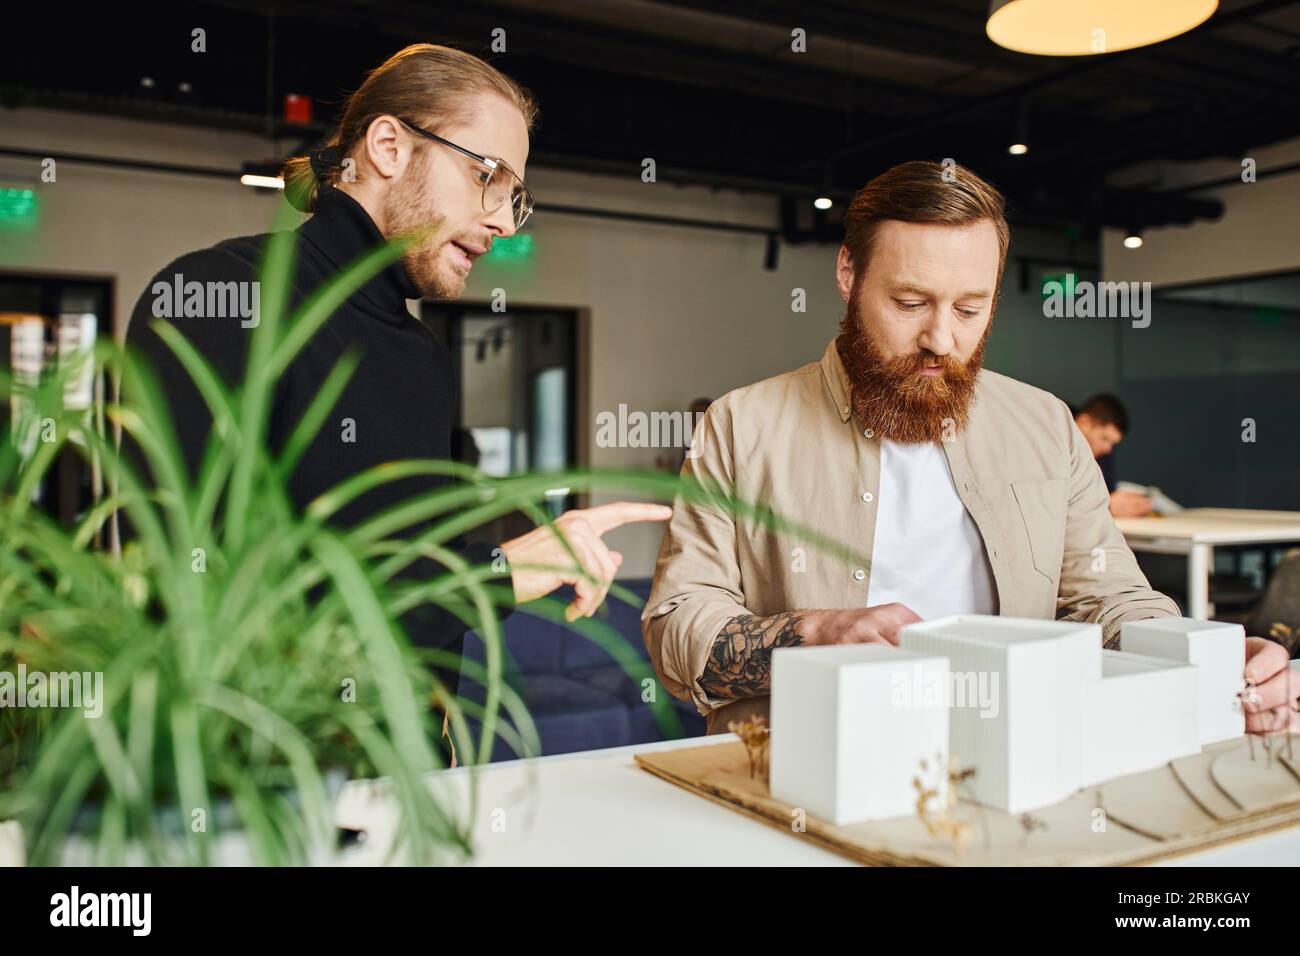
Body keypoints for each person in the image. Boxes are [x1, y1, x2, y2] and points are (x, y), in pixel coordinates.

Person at [642, 159, 1294, 739]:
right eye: (910, 302)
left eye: (969, 308)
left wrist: (1201, 652)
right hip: (801, 769)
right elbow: (677, 631)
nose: (941, 339)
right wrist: (814, 633)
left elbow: (1109, 597)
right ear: (848, 273)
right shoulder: (741, 425)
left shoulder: (1045, 425)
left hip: (1018, 760)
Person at [124, 44, 670, 677]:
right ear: (389, 147)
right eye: (486, 176)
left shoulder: (425, 359)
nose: (503, 224)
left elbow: (414, 592)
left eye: (514, 198)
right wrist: (505, 570)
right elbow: (197, 599)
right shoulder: (220, 297)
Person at [1073, 393, 1152, 517]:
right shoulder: (1052, 441)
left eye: (1112, 444)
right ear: (1084, 422)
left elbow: (1108, 490)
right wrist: (1107, 505)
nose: (1108, 449)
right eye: (1104, 438)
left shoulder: (1103, 453)